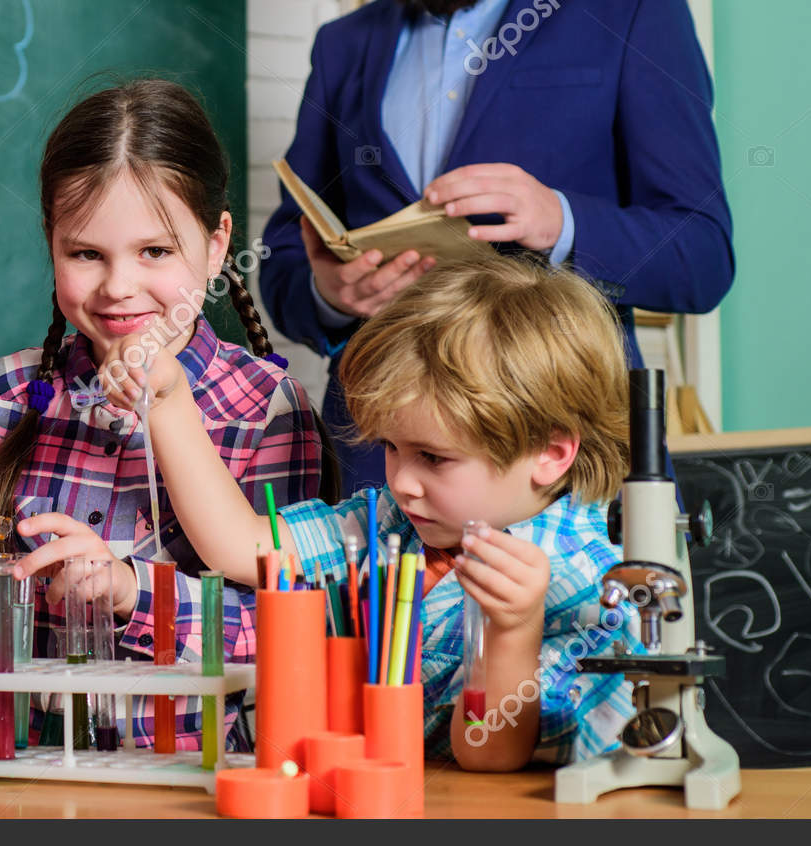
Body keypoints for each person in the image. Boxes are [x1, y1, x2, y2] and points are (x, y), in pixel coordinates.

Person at [0, 80, 326, 748]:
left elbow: (289, 640)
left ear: (216, 246)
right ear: (51, 243)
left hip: (190, 786)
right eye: (86, 253)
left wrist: (130, 592)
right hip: (13, 775)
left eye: (156, 252)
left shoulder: (266, 409)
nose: (119, 287)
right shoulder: (5, 395)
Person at [116, 256, 643, 768]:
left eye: (433, 457)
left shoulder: (593, 589)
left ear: (550, 454)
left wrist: (511, 633)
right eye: (392, 447)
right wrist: (168, 401)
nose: (401, 481)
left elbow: (487, 752)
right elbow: (239, 546)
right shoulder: (391, 523)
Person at [261, 0, 732, 488]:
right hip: (377, 462)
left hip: (561, 449)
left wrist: (561, 222)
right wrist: (330, 294)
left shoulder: (633, 11)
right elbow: (282, 259)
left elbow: (703, 256)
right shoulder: (343, 43)